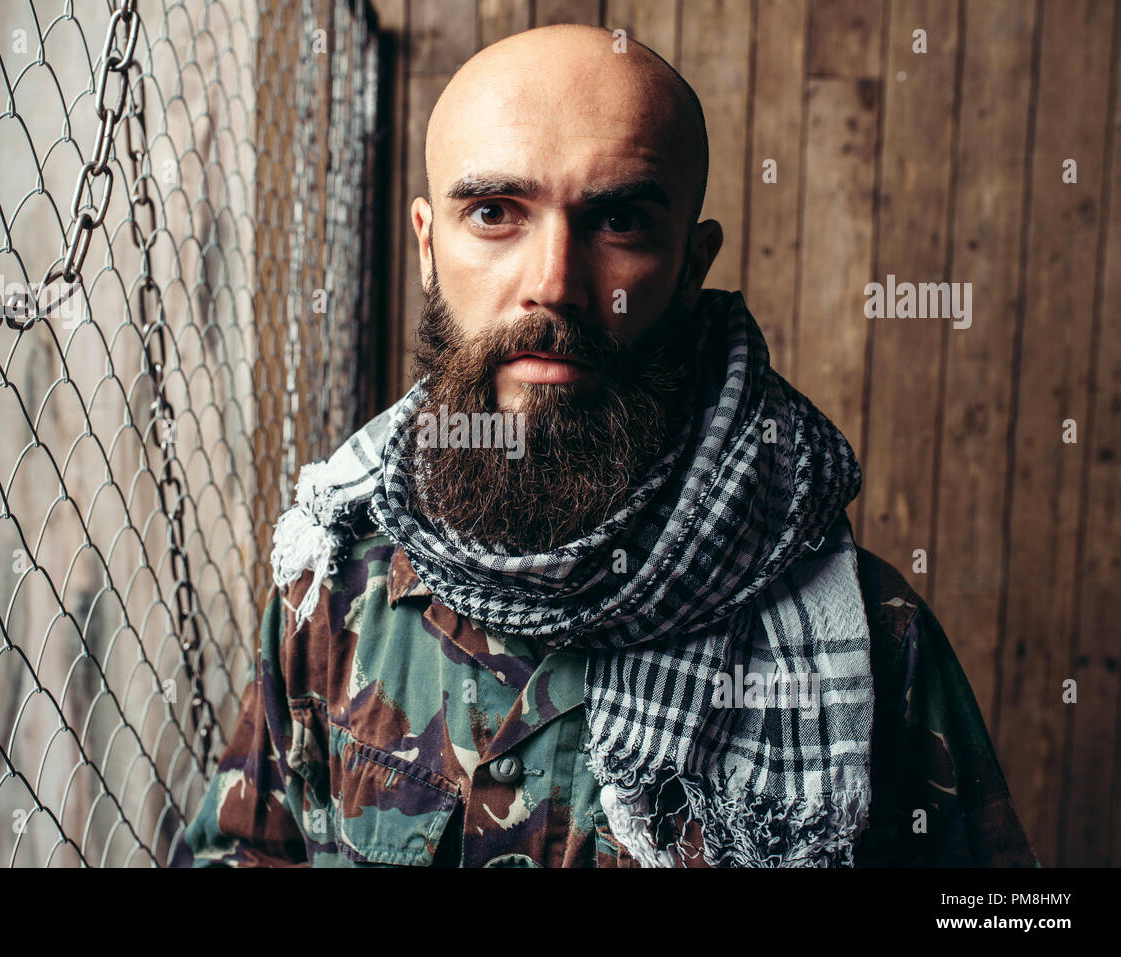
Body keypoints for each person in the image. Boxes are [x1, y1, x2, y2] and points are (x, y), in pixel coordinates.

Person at [172, 23, 1037, 868]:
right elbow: (246, 845)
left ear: (692, 265)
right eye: (495, 212)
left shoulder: (870, 643)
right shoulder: (338, 578)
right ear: (428, 247)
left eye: (618, 219)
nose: (554, 282)